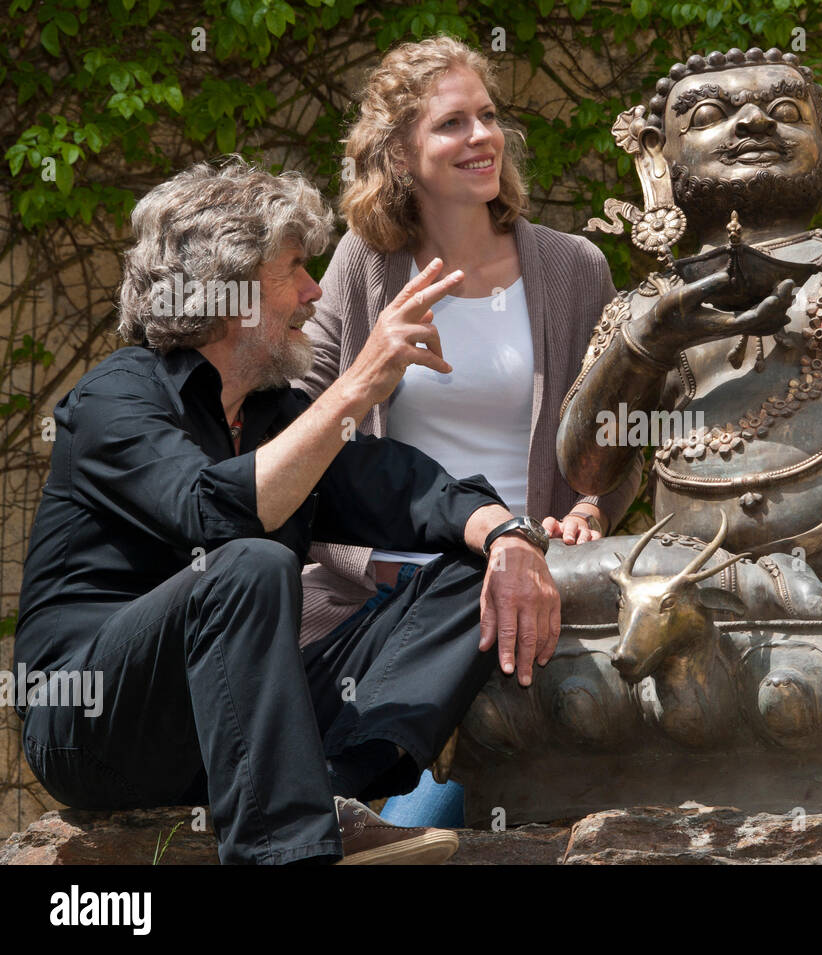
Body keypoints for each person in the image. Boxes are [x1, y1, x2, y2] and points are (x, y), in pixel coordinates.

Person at [14, 157, 561, 864]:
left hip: (231, 733)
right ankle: (289, 852)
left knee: (468, 568)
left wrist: (511, 537)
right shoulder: (114, 399)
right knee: (246, 561)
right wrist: (358, 383)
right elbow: (215, 513)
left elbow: (400, 488)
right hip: (94, 725)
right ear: (232, 291)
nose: (314, 292)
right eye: (296, 268)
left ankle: (328, 792)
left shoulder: (274, 413)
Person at [294, 34, 640, 826]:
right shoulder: (363, 266)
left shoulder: (571, 267)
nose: (482, 137)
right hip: (387, 583)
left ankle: (364, 817)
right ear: (400, 154)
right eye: (452, 124)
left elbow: (615, 428)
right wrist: (369, 368)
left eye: (487, 116)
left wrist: (589, 510)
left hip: (530, 569)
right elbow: (299, 430)